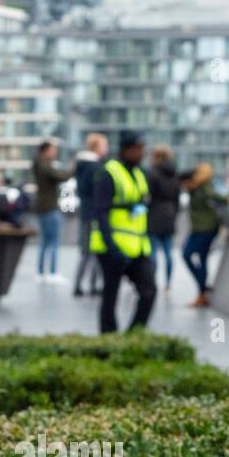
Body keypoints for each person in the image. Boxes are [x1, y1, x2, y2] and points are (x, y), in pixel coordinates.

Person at [89, 129, 156, 334]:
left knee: (149, 291)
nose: (141, 153)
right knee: (110, 295)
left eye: (143, 149)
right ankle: (108, 338)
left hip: (137, 248)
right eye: (137, 149)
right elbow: (100, 212)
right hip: (112, 248)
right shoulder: (109, 172)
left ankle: (133, 335)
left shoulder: (139, 173)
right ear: (126, 150)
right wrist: (112, 247)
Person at [182, 162, 229, 308]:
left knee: (193, 255)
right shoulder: (195, 187)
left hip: (206, 227)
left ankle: (202, 292)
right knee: (193, 257)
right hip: (198, 227)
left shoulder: (204, 186)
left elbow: (217, 196)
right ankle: (203, 289)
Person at [72, 132, 106, 297]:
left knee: (89, 252)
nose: (106, 148)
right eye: (103, 145)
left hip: (87, 213)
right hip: (93, 214)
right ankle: (83, 285)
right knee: (90, 252)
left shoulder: (83, 165)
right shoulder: (93, 167)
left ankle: (88, 285)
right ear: (96, 147)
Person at [32, 141, 71, 283]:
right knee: (53, 241)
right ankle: (52, 272)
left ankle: (41, 272)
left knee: (45, 241)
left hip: (43, 207)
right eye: (53, 149)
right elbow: (63, 176)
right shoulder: (44, 164)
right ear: (46, 150)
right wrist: (71, 169)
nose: (55, 152)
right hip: (49, 207)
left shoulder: (38, 163)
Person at [145, 145, 180, 293]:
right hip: (170, 215)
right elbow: (177, 199)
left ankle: (151, 282)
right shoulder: (174, 174)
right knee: (168, 253)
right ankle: (168, 285)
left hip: (153, 215)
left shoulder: (151, 173)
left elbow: (147, 197)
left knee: (152, 253)